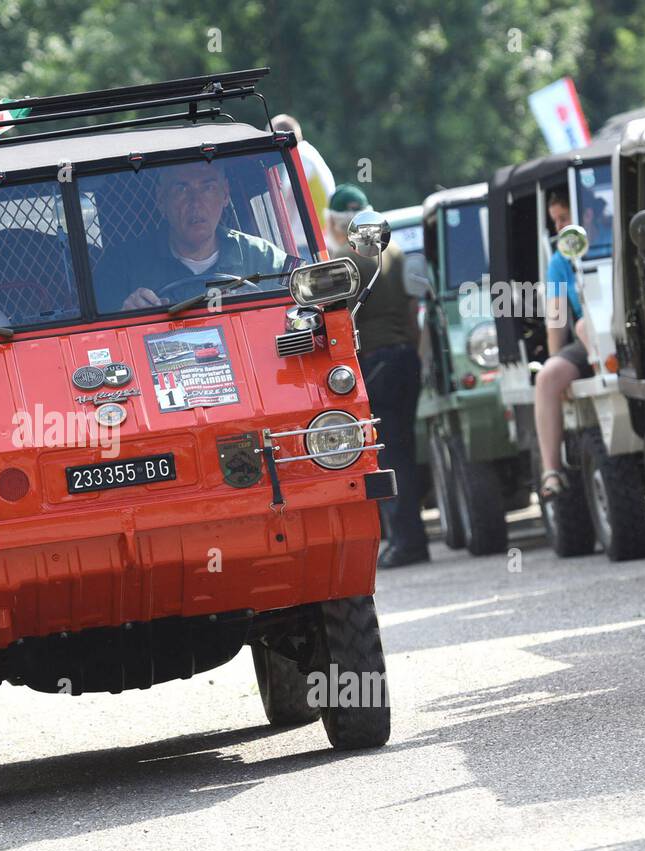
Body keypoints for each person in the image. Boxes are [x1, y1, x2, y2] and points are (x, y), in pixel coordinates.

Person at [326, 184, 428, 568]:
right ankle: (409, 536)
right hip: (404, 360)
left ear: (336, 224)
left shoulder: (345, 261)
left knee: (385, 454)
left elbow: (337, 324)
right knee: (403, 449)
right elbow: (411, 315)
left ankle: (405, 542)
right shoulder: (396, 253)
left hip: (375, 364)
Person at [94, 163, 303, 312]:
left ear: (225, 194)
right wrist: (125, 313)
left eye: (208, 187)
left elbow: (304, 315)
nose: (196, 202)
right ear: (161, 198)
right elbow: (94, 343)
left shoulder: (264, 259)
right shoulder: (120, 266)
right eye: (181, 189)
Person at [534, 188, 594, 501]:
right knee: (546, 377)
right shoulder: (559, 260)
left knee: (585, 326)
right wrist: (558, 363)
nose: (559, 227)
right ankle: (552, 472)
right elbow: (556, 321)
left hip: (633, 330)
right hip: (589, 340)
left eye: (564, 218)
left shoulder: (613, 241)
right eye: (555, 221)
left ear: (585, 215)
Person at [271, 113, 336, 225]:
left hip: (314, 234)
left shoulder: (300, 155)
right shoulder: (307, 151)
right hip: (320, 229)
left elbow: (291, 198)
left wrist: (283, 229)